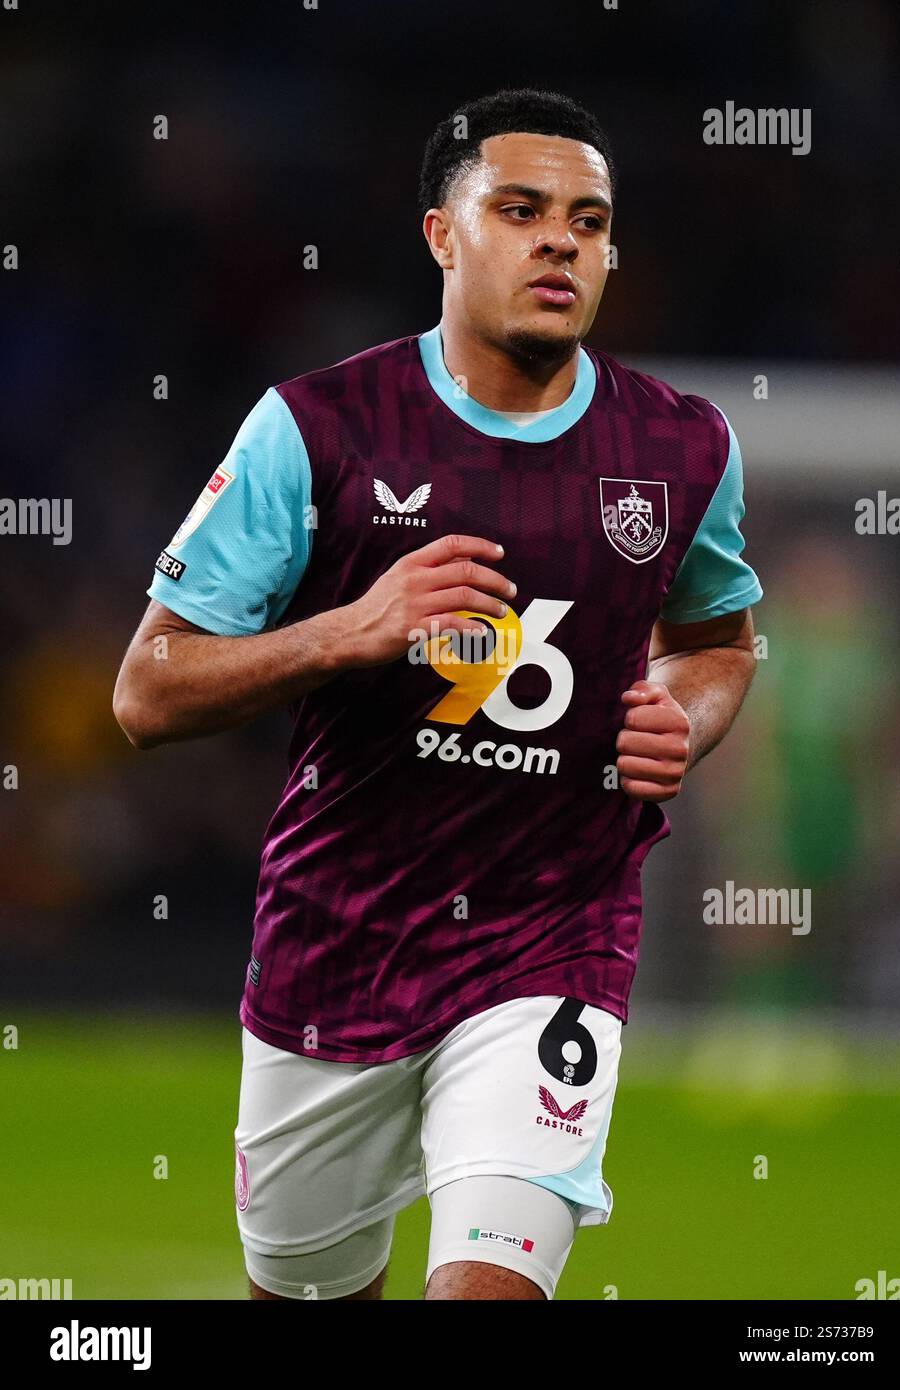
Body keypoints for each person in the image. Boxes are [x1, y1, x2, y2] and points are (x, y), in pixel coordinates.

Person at [113, 88, 762, 1301]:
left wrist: (690, 710)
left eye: (588, 220)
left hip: (552, 935)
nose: (561, 240)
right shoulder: (314, 431)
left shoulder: (683, 451)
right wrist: (343, 634)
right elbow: (146, 692)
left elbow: (720, 643)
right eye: (519, 210)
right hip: (336, 944)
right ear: (441, 235)